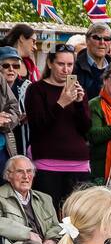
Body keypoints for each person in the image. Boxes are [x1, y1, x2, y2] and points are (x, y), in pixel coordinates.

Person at [24, 44, 91, 212]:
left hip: (78, 163)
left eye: (70, 65)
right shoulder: (36, 89)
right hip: (48, 163)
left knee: (77, 218)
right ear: (50, 63)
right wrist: (61, 103)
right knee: (49, 217)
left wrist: (79, 104)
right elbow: (38, 125)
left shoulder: (76, 89)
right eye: (61, 64)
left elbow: (86, 128)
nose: (66, 69)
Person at [0, 45, 31, 166]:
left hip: (22, 140)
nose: (11, 69)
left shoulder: (27, 86)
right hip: (5, 140)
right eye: (6, 66)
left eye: (16, 66)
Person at [74, 23, 111, 99]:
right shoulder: (73, 67)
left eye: (107, 39)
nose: (102, 42)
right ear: (87, 40)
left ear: (110, 43)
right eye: (97, 38)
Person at [3, 24, 40, 88]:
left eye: (15, 66)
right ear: (22, 38)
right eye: (33, 41)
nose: (35, 47)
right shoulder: (1, 59)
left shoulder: (31, 66)